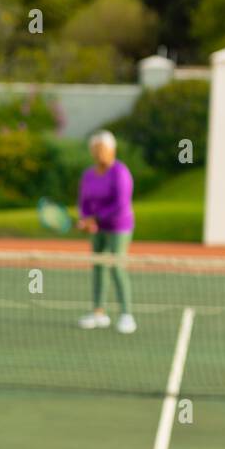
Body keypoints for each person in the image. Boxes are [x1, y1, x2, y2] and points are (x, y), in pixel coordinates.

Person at [76, 130, 137, 334]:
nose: (99, 153)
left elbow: (121, 204)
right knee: (98, 267)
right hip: (98, 227)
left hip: (119, 227)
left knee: (116, 266)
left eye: (103, 149)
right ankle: (98, 313)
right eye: (96, 149)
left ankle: (127, 315)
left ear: (112, 150)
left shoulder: (120, 172)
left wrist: (96, 219)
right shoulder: (89, 175)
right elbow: (84, 202)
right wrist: (85, 219)